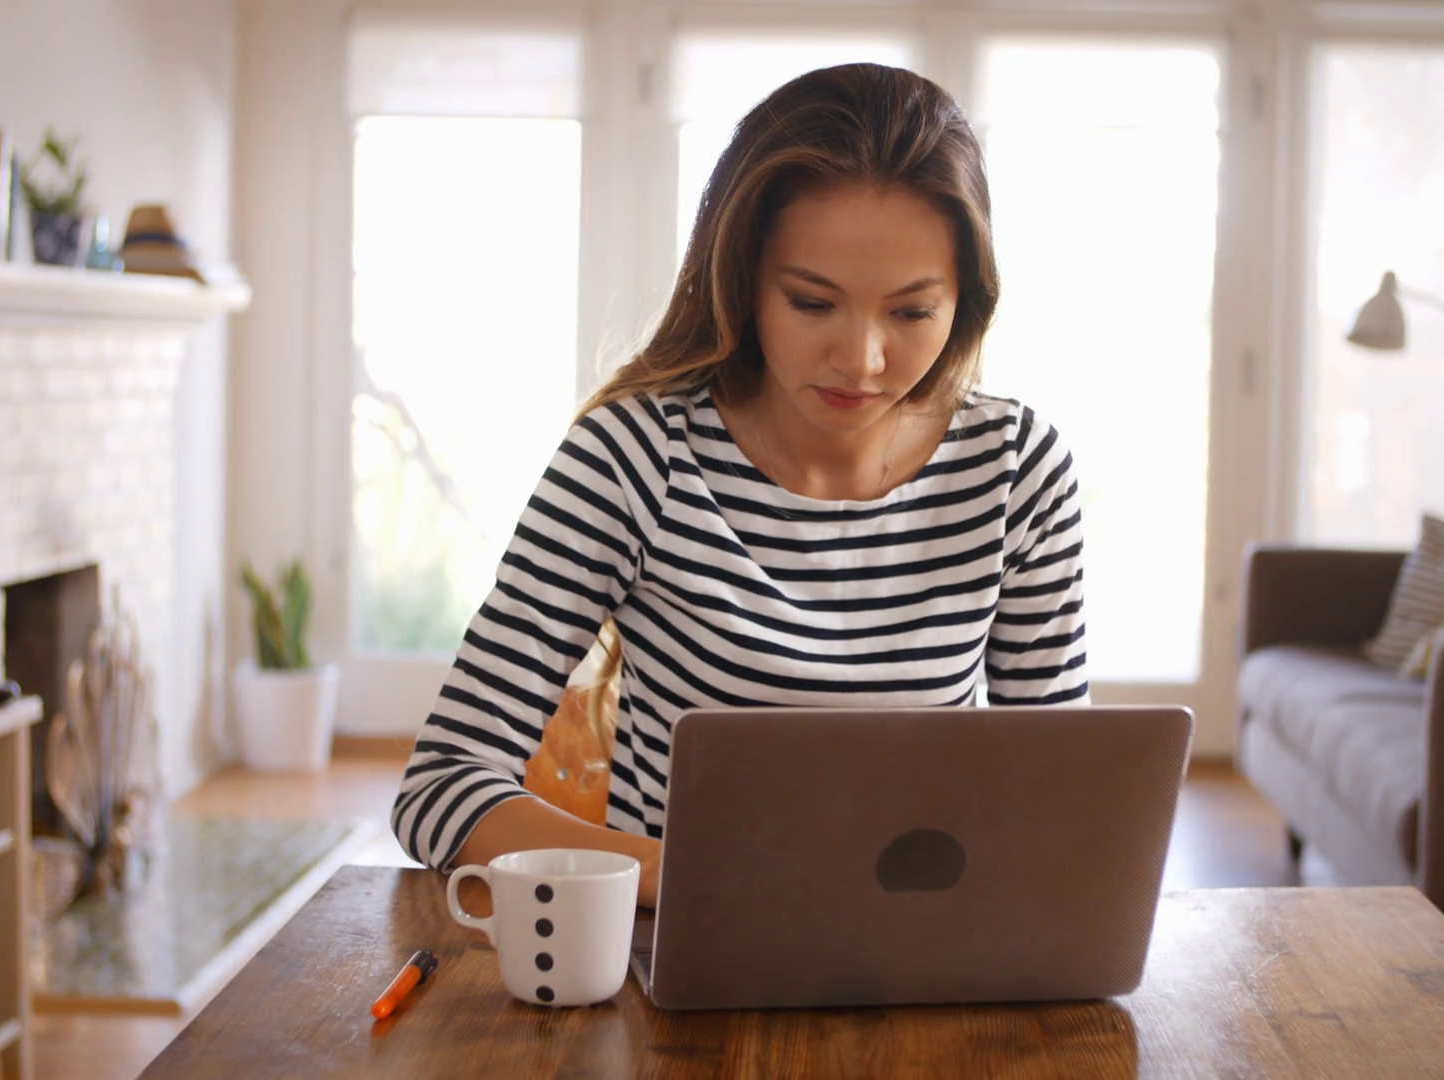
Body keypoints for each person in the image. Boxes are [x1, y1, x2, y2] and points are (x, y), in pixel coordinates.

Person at [393, 63, 1088, 907]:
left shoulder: (1017, 469)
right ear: (743, 280)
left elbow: (1071, 802)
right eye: (811, 302)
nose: (863, 360)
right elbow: (440, 788)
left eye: (911, 313)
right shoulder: (635, 457)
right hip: (686, 974)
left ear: (964, 304)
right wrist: (685, 878)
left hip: (930, 968)